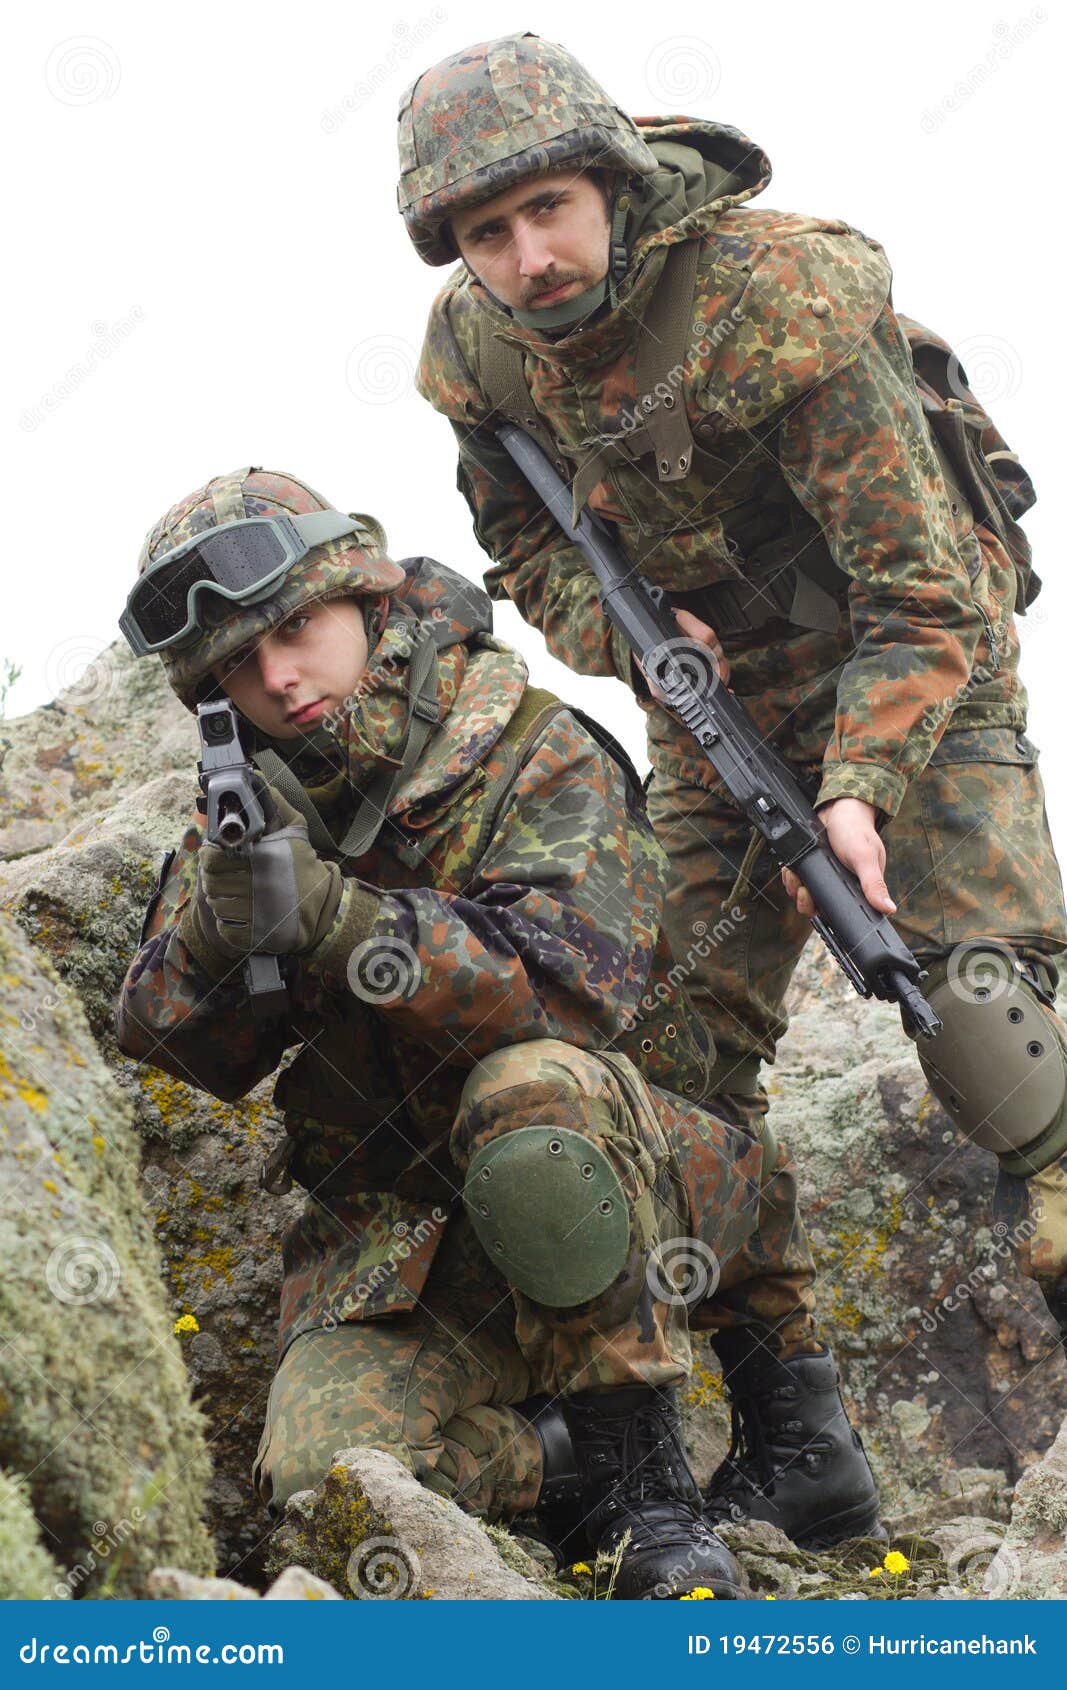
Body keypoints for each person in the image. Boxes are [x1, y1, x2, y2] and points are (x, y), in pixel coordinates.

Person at [401, 31, 1067, 1538]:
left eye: (549, 209)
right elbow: (527, 553)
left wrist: (859, 789)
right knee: (672, 1063)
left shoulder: (777, 297)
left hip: (907, 665)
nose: (527, 255)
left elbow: (926, 589)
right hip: (711, 707)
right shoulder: (477, 350)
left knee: (977, 1012)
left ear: (612, 184)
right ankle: (791, 1439)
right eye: (485, 234)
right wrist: (633, 644)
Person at [113, 465, 882, 1598]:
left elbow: (568, 994)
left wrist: (336, 920)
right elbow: (177, 1045)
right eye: (234, 665)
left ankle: (642, 1495)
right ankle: (562, 1466)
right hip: (420, 1251)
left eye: (293, 630)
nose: (277, 677)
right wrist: (220, 939)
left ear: (364, 601)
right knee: (327, 1479)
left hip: (641, 1184)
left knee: (531, 1089)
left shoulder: (530, 747)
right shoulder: (252, 802)